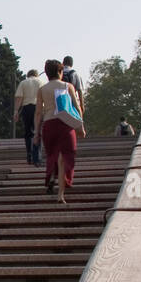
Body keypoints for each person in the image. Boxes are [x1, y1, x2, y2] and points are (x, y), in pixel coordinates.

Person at [34, 59, 84, 204]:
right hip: (66, 125)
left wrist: (36, 133)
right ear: (60, 72)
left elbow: (38, 113)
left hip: (49, 125)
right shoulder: (68, 86)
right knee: (64, 158)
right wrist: (80, 126)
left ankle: (51, 175)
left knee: (52, 155)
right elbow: (77, 107)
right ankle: (60, 194)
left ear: (47, 74)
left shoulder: (42, 90)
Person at [14, 69, 42, 166]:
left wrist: (16, 111)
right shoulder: (41, 82)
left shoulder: (23, 82)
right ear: (36, 75)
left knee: (28, 132)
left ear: (28, 75)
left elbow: (19, 97)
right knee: (37, 131)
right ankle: (37, 156)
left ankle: (29, 154)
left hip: (26, 108)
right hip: (38, 108)